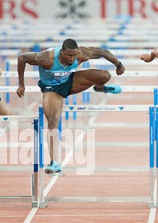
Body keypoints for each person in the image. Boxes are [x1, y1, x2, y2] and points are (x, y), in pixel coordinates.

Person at [16, 38, 125, 174]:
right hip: (52, 88)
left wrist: (118, 64)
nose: (71, 58)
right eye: (68, 55)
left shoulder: (81, 54)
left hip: (70, 81)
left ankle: (100, 87)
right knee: (53, 120)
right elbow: (22, 58)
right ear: (61, 52)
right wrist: (21, 84)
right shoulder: (46, 58)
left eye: (73, 55)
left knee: (105, 75)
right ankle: (54, 162)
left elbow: (102, 52)